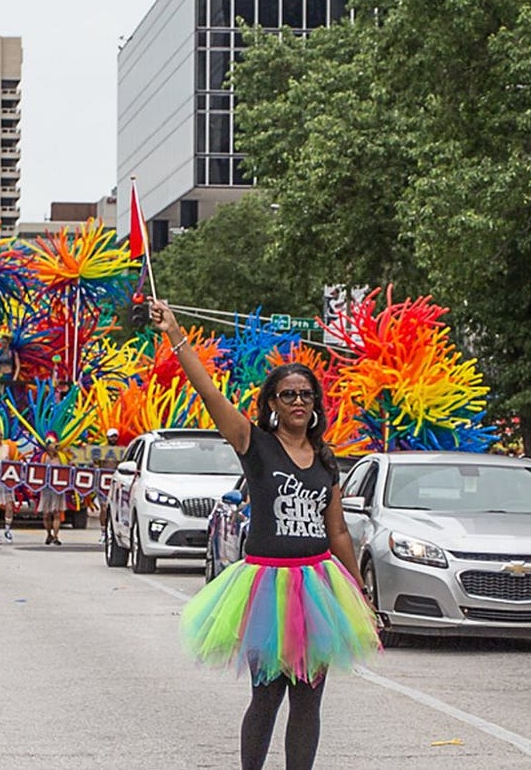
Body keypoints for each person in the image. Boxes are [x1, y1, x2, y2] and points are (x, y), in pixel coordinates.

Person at [158, 300, 377, 770]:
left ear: (315, 403)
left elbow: (336, 530)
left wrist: (357, 591)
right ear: (272, 404)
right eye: (287, 395)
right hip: (266, 589)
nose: (298, 402)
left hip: (317, 586)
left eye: (305, 394)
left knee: (309, 702)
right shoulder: (253, 445)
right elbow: (209, 392)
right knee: (266, 697)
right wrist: (176, 333)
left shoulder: (325, 458)